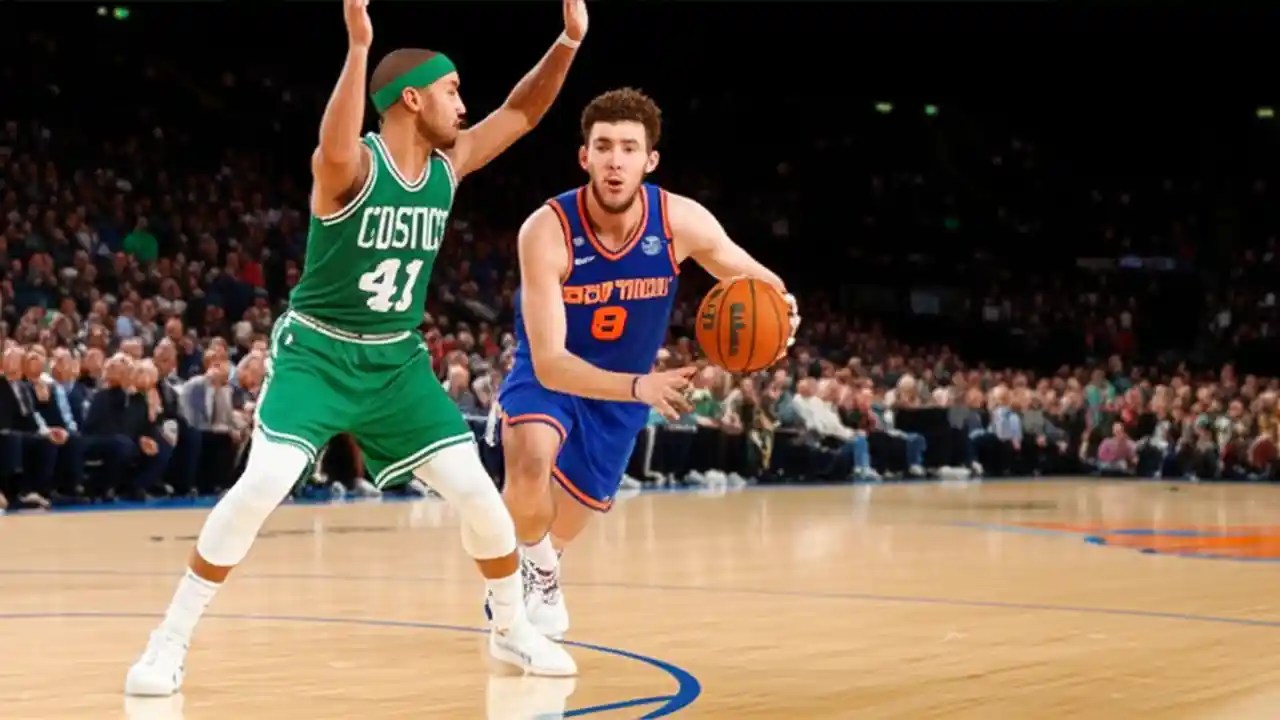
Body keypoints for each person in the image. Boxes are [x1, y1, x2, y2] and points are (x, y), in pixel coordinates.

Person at [125, 0, 588, 696]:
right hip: (318, 352)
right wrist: (358, 46)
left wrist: (568, 40)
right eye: (452, 89)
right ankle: (170, 640)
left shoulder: (447, 165)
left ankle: (510, 628)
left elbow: (522, 114)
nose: (465, 103)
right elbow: (334, 145)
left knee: (481, 500)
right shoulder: (352, 170)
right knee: (261, 486)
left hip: (396, 361)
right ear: (411, 97)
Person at [490, 88, 800, 638]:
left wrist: (783, 312)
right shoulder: (546, 231)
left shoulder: (680, 220)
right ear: (583, 156)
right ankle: (532, 569)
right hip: (553, 376)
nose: (615, 159)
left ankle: (544, 561)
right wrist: (641, 387)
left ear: (649, 160)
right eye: (603, 146)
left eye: (629, 148)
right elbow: (552, 362)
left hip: (622, 397)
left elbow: (756, 282)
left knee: (565, 523)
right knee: (531, 462)